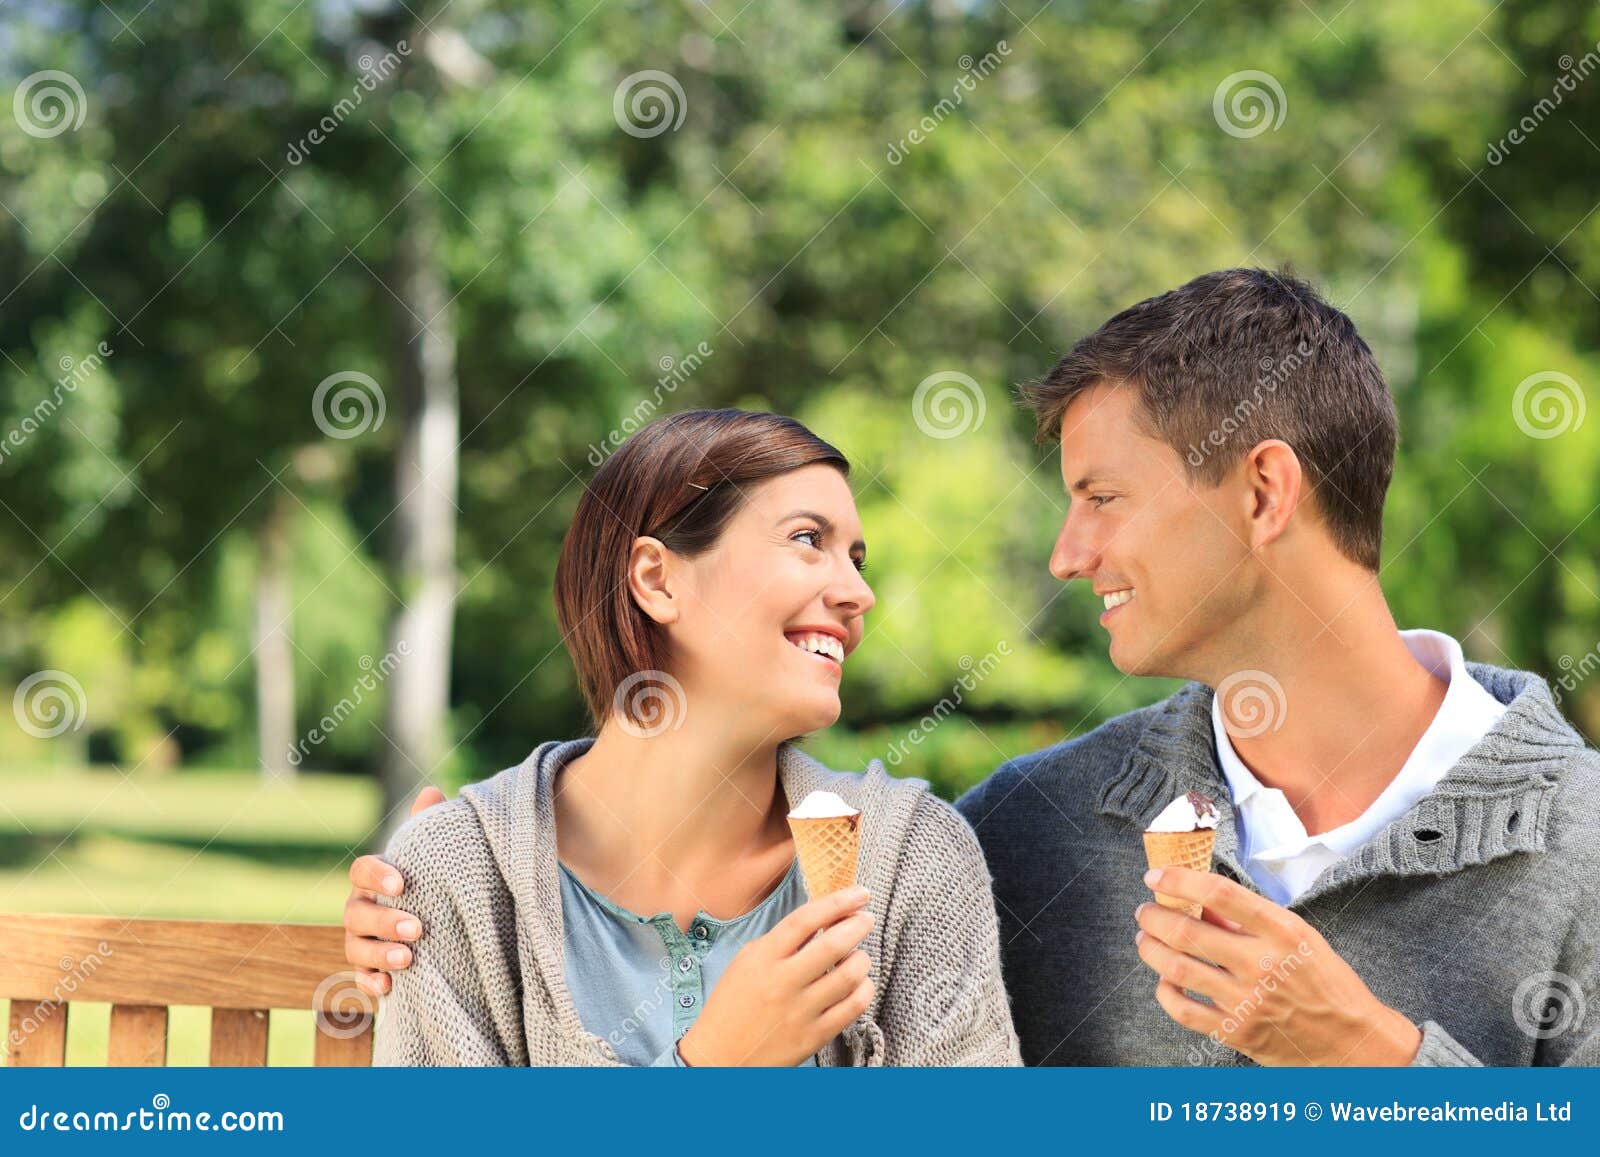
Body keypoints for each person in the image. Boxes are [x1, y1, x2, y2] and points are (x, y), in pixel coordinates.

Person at [956, 268, 1599, 1066]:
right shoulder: (1017, 832)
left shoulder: (1583, 846)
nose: (1067, 555)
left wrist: (1369, 1056)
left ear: (1264, 492)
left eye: (1103, 498)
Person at [354, 407, 1021, 1067]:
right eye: (807, 539)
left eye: (857, 559)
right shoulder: (461, 875)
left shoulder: (910, 859)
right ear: (656, 578)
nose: (857, 594)